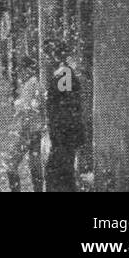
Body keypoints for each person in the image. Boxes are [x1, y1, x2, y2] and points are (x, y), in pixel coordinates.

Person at [44, 43, 84, 192]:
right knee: (63, 172)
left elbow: (65, 104)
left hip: (64, 133)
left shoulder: (64, 73)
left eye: (50, 55)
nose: (47, 59)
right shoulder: (63, 73)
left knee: (57, 171)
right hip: (65, 132)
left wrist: (59, 133)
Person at [6, 55, 45, 192]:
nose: (21, 73)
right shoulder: (32, 84)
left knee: (11, 165)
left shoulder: (31, 85)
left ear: (29, 69)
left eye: (22, 69)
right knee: (34, 165)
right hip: (33, 131)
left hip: (27, 131)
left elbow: (28, 110)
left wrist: (23, 130)